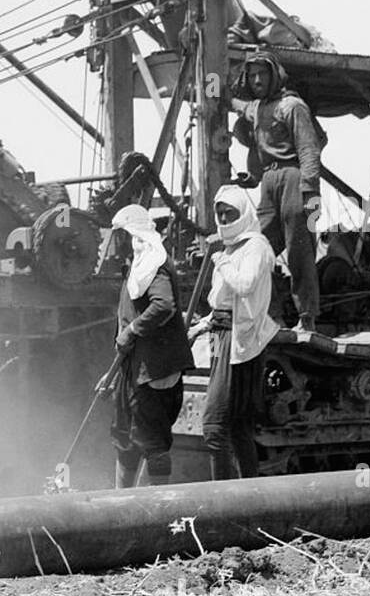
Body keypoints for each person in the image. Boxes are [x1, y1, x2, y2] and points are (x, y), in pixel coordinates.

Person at [94, 205, 194, 487]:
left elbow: (163, 306)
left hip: (154, 370)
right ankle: (122, 503)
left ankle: (157, 511)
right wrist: (113, 374)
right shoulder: (138, 266)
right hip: (135, 368)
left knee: (152, 440)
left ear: (135, 235)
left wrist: (133, 329)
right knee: (126, 436)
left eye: (123, 235)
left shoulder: (156, 264)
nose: (119, 242)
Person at [188, 185, 279, 480]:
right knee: (238, 425)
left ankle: (224, 498)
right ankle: (248, 495)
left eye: (231, 213)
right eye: (221, 214)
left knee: (214, 425)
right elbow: (221, 302)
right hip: (221, 334)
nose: (225, 220)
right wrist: (199, 327)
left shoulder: (255, 246)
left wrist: (221, 261)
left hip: (238, 338)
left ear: (244, 213)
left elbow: (245, 285)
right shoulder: (231, 248)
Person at [231, 51, 325, 333]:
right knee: (256, 248)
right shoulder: (257, 108)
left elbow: (309, 148)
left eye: (263, 74)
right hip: (269, 181)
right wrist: (210, 79)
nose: (257, 80)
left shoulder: (292, 106)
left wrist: (310, 192)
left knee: (300, 250)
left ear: (274, 75)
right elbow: (227, 99)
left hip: (295, 179)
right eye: (253, 75)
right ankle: (270, 314)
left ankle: (306, 318)